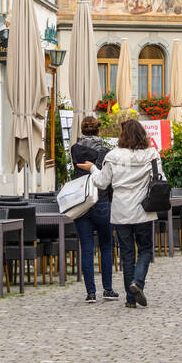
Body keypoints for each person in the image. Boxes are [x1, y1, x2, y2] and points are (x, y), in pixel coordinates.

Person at [77, 116, 161, 309]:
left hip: (121, 209)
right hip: (143, 209)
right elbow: (160, 177)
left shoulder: (113, 156)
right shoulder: (152, 155)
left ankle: (131, 299)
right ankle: (137, 283)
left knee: (127, 253)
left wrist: (92, 169)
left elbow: (102, 182)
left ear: (122, 135)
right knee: (146, 249)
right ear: (142, 135)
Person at [70, 115, 119, 304]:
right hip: (101, 201)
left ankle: (90, 292)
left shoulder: (75, 149)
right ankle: (108, 289)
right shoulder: (105, 151)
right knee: (106, 246)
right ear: (99, 130)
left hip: (81, 202)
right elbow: (108, 178)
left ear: (82, 130)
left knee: (87, 247)